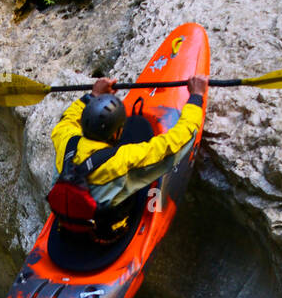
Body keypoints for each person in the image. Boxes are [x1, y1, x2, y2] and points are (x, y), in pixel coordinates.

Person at [50, 73, 209, 235]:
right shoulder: (121, 159)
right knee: (142, 173)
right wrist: (196, 98)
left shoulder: (65, 140)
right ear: (116, 134)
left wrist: (94, 95)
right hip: (105, 233)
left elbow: (68, 118)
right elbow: (175, 143)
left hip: (70, 219)